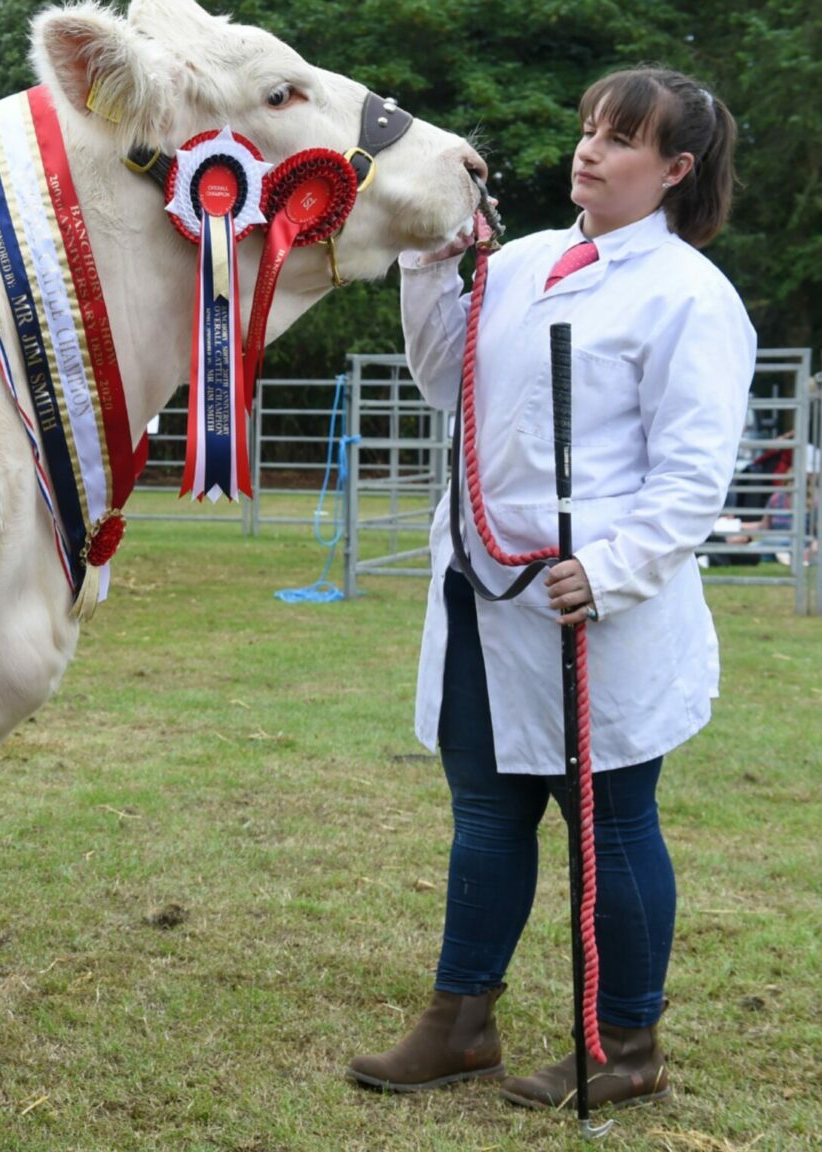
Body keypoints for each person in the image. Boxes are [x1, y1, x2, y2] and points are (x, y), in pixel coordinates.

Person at [346, 67, 755, 1111]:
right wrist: (432, 268)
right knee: (485, 814)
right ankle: (461, 1020)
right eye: (588, 130)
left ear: (673, 171)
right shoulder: (522, 261)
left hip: (594, 604)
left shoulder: (690, 297)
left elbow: (693, 473)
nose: (589, 150)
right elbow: (448, 381)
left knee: (612, 820)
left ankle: (625, 1043)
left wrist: (610, 570)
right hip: (484, 590)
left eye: (620, 139)